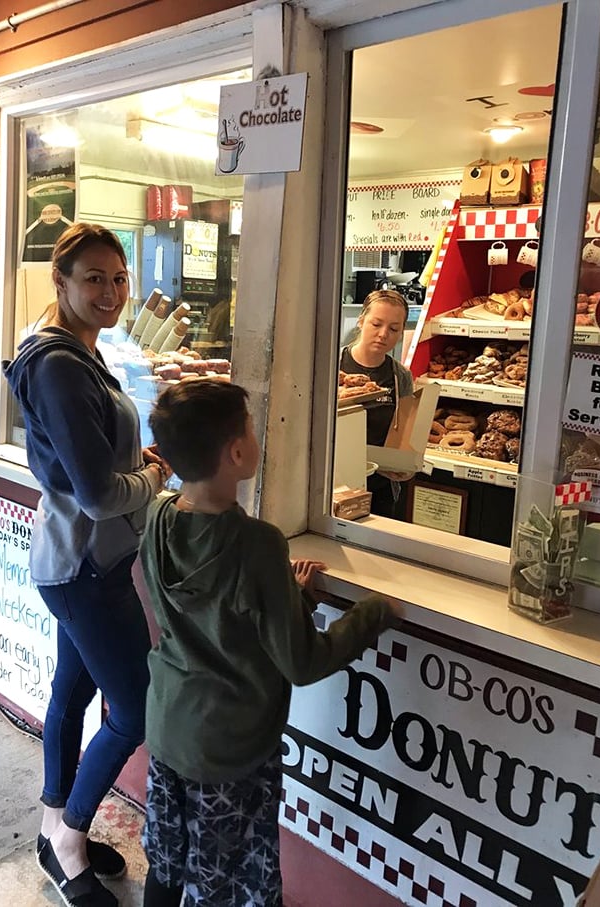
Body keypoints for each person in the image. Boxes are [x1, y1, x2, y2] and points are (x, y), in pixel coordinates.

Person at [139, 379, 402, 907]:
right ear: (237, 452)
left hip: (169, 724)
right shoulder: (257, 544)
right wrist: (376, 612)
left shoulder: (159, 515)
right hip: (230, 748)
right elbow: (303, 662)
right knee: (228, 882)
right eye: (253, 430)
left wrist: (288, 595)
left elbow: (211, 620)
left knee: (168, 863)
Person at [3, 223, 168, 907]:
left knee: (71, 694)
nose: (110, 292)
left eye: (119, 277)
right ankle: (70, 842)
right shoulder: (62, 363)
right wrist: (155, 476)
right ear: (61, 281)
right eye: (93, 278)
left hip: (75, 560)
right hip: (85, 568)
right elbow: (100, 493)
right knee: (135, 710)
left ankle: (51, 830)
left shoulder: (71, 348)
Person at [340, 288, 415, 516]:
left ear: (401, 333)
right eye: (376, 324)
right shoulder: (332, 365)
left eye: (394, 329)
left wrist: (405, 466)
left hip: (380, 487)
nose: (384, 334)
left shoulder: (400, 376)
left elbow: (404, 432)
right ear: (361, 322)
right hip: (335, 483)